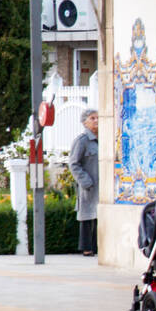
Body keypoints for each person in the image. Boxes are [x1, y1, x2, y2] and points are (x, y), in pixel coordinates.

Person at [68, 109, 99, 256]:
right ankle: (86, 247)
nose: (96, 121)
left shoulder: (103, 138)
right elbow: (74, 164)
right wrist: (85, 181)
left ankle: (97, 246)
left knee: (99, 216)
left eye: (98, 118)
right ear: (85, 122)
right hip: (89, 184)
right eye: (92, 118)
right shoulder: (82, 141)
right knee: (87, 215)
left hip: (101, 184)